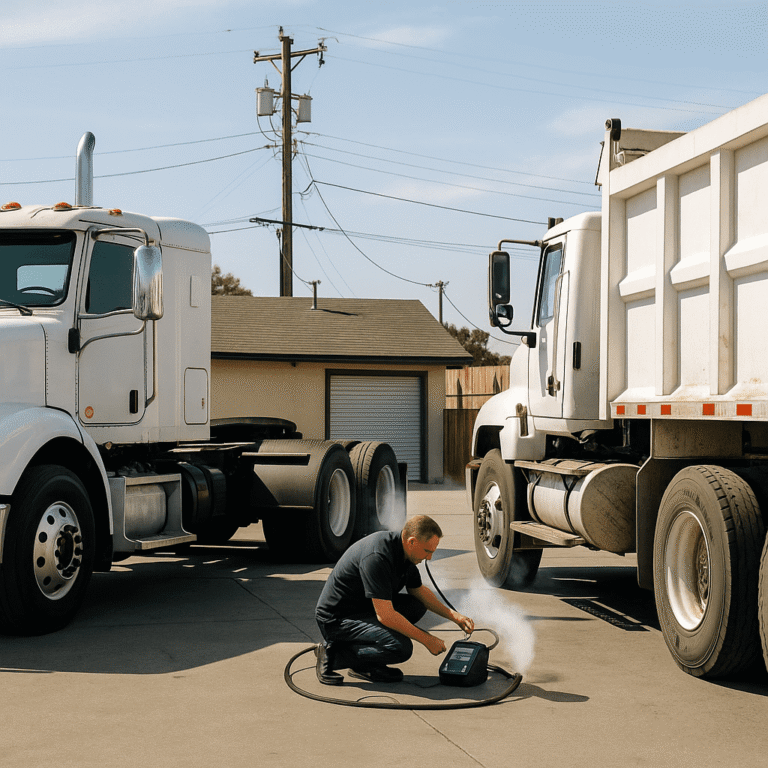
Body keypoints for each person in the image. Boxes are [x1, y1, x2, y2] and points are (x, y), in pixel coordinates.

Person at [314, 514, 474, 685]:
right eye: (427, 551)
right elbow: (386, 615)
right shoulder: (377, 557)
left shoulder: (405, 553)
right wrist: (427, 639)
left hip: (363, 608)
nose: (429, 558)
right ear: (412, 541)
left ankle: (365, 665)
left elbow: (419, 591)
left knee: (416, 606)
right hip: (337, 620)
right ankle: (332, 655)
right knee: (400, 648)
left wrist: (455, 616)